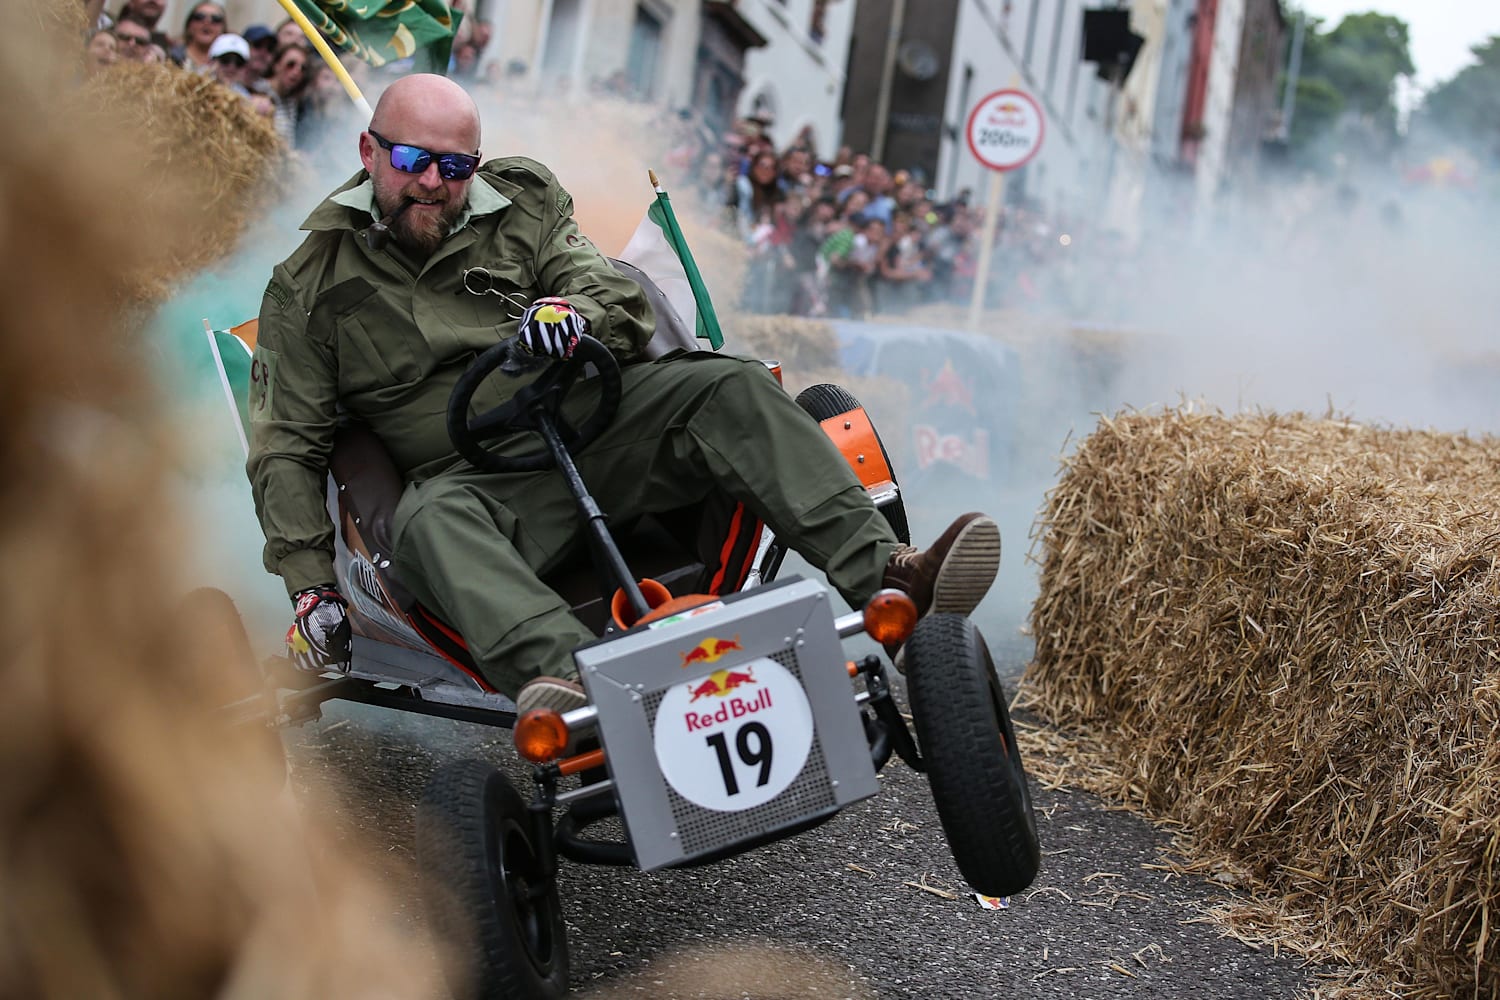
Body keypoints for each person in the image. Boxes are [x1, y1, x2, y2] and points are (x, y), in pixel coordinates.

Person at [246, 74, 1001, 716]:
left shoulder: (525, 197)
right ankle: (577, 687)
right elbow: (286, 444)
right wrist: (312, 592)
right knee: (428, 520)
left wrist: (572, 313)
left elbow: (603, 286)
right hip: (478, 495)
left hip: (594, 430)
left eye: (455, 165)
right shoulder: (309, 286)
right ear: (369, 152)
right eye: (413, 160)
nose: (434, 184)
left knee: (728, 386)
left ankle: (894, 584)